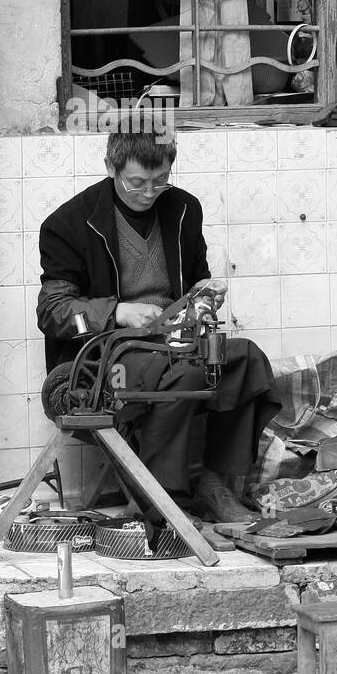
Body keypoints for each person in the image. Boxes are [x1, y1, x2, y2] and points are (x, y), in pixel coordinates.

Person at [37, 130, 279, 523]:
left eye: (160, 180)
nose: (149, 193)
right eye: (136, 182)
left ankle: (213, 486)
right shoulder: (70, 224)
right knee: (182, 374)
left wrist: (205, 293)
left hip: (174, 341)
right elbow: (52, 311)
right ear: (111, 168)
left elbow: (195, 279)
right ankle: (164, 506)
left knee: (245, 359)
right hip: (107, 356)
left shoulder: (182, 209)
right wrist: (117, 312)